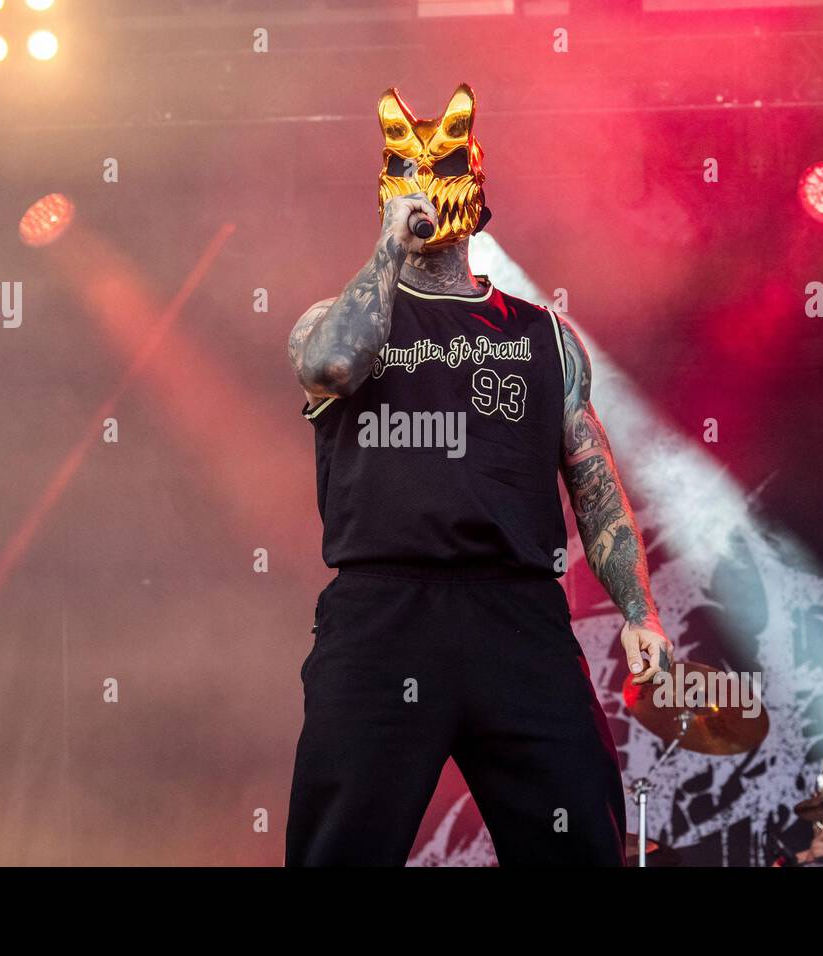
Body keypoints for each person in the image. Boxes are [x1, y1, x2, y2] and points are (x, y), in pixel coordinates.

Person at [284, 82, 672, 866]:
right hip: (382, 615)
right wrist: (390, 245)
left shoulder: (544, 336)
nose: (423, 185)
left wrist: (640, 609)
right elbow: (331, 363)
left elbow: (592, 480)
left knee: (583, 837)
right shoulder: (338, 320)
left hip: (517, 617)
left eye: (442, 167)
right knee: (340, 848)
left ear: (476, 185)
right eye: (403, 171)